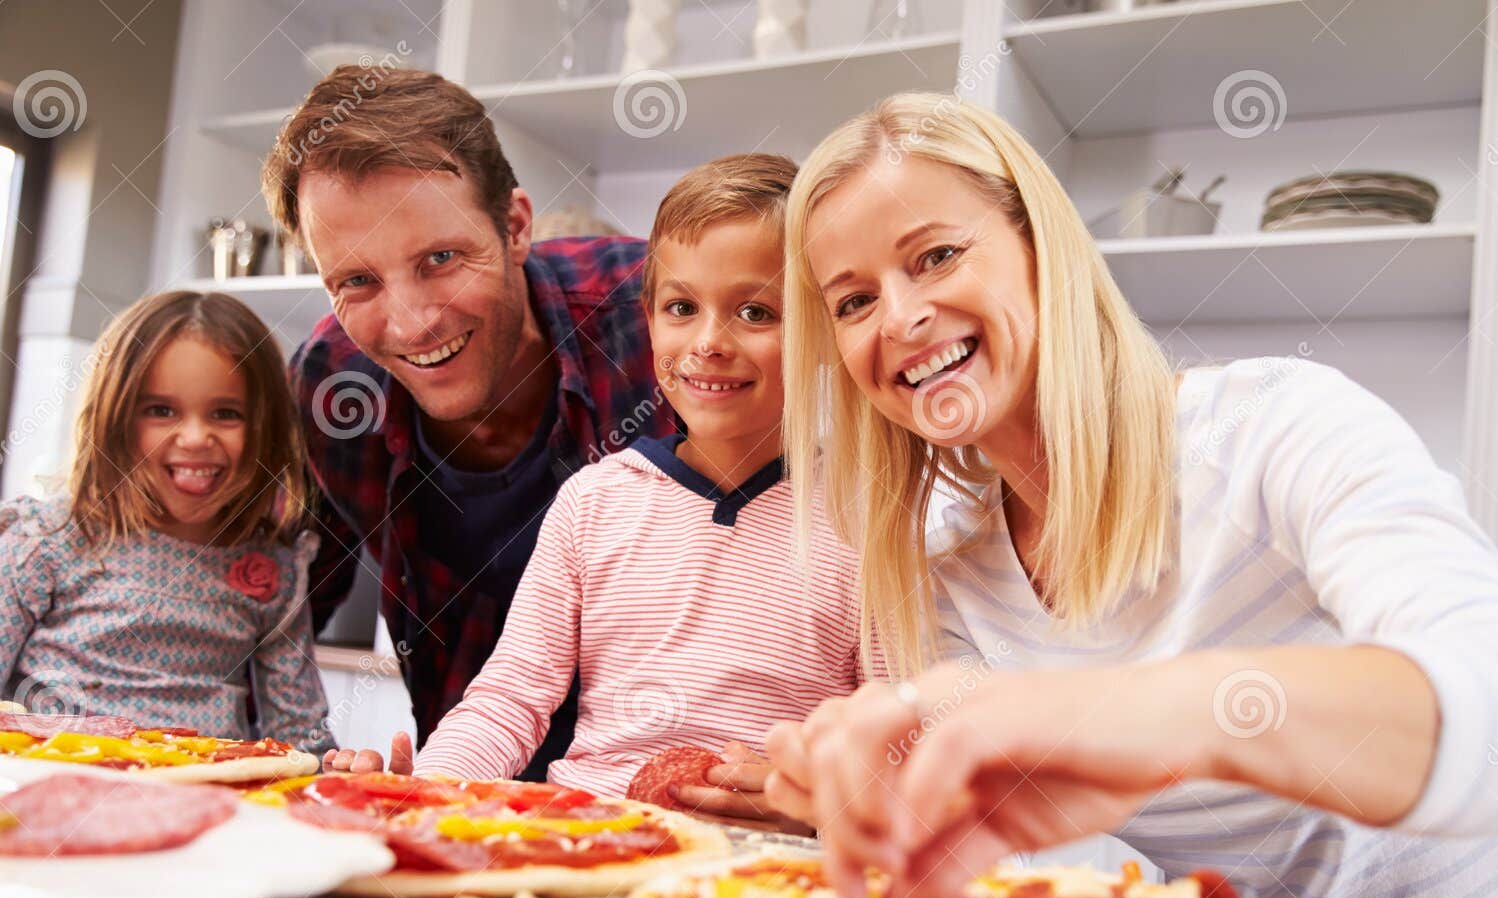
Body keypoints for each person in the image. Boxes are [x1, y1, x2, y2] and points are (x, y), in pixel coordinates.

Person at [764, 92, 1498, 898]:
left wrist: (1168, 714)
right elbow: (1108, 864)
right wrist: (910, 809)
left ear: (1041, 247)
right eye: (853, 301)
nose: (899, 319)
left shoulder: (1273, 426)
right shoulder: (951, 575)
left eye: (935, 256)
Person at [322, 154, 862, 831]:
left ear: (823, 332)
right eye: (681, 307)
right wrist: (425, 792)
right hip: (584, 836)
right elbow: (511, 698)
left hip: (766, 868)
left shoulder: (868, 524)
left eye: (755, 311)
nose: (708, 342)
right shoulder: (593, 502)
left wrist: (823, 801)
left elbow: (904, 737)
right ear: (650, 319)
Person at [262, 68, 675, 775]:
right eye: (357, 281)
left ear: (514, 226)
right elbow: (276, 607)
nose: (414, 323)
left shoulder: (656, 313)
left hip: (673, 793)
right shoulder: (333, 387)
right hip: (472, 795)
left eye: (441, 259)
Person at [0, 291, 331, 754]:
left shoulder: (274, 568)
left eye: (226, 413)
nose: (196, 437)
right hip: (55, 790)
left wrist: (342, 771)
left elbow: (301, 737)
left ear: (265, 427)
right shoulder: (45, 538)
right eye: (161, 410)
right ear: (113, 420)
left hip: (204, 802)